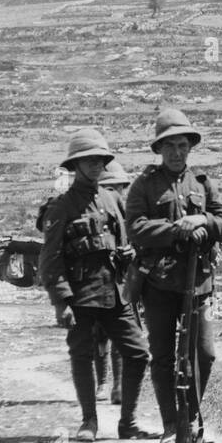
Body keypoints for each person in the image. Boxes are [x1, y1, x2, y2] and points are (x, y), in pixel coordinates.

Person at [126, 110, 222, 443]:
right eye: (169, 145)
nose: (176, 152)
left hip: (199, 283)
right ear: (159, 148)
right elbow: (136, 228)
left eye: (182, 145)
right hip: (159, 283)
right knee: (163, 356)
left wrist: (202, 220)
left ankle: (192, 418)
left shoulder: (202, 183)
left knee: (204, 353)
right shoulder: (144, 184)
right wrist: (176, 229)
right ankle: (171, 424)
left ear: (190, 147)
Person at [38, 130, 153, 442]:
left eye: (99, 159)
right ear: (75, 164)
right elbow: (51, 259)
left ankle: (127, 423)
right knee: (82, 354)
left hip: (116, 293)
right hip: (81, 295)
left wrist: (129, 254)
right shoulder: (61, 207)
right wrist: (61, 302)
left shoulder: (113, 200)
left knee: (138, 352)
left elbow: (126, 241)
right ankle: (89, 421)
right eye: (87, 160)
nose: (94, 165)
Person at [92, 158, 133, 405]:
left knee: (121, 336)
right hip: (96, 284)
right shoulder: (91, 214)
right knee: (99, 336)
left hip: (122, 282)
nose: (115, 192)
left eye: (118, 187)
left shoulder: (126, 214)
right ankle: (103, 383)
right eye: (109, 188)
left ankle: (119, 385)